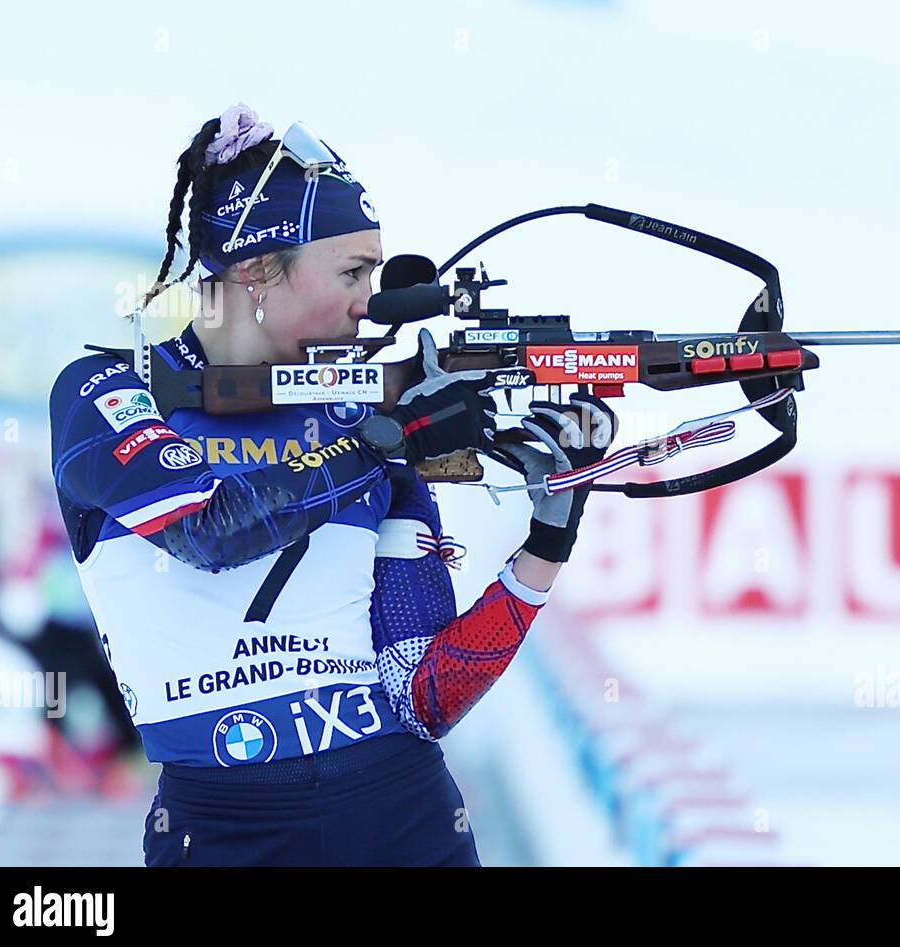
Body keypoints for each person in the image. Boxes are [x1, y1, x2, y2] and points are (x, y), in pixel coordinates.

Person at [47, 103, 616, 865]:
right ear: (253, 269)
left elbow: (424, 696)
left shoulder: (363, 413)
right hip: (222, 831)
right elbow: (210, 530)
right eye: (352, 272)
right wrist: (389, 438)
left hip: (405, 814)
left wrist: (548, 540)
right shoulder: (110, 391)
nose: (369, 301)